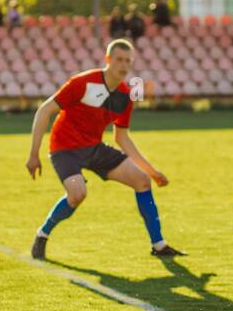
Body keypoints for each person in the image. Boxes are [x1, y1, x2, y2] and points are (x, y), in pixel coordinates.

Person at [26, 38, 183, 260]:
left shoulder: (125, 96)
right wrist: (33, 154)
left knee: (141, 180)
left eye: (128, 61)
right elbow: (44, 111)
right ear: (107, 59)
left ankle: (159, 245)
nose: (124, 65)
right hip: (65, 148)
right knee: (77, 193)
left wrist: (151, 171)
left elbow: (122, 137)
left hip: (94, 148)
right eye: (119, 59)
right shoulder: (82, 82)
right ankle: (43, 234)